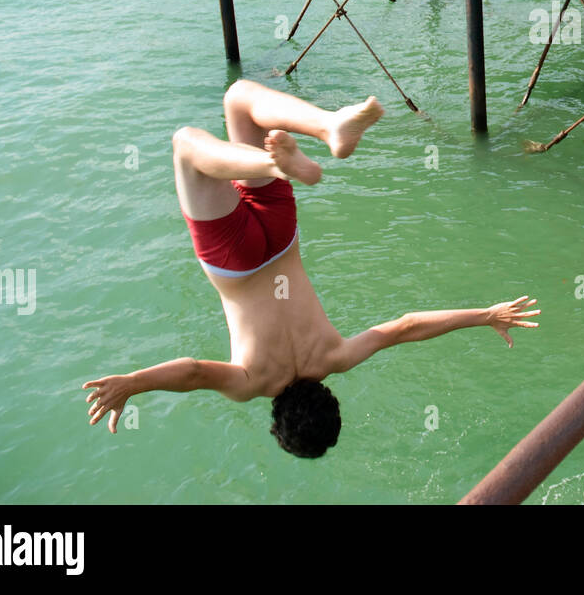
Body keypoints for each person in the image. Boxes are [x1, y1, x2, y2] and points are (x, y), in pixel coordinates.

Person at [83, 79, 540, 458]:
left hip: (281, 239)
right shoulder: (252, 381)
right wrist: (132, 384)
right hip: (234, 260)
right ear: (276, 422)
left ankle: (326, 128)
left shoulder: (334, 357)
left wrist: (486, 315)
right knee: (186, 145)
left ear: (330, 400)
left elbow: (405, 327)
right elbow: (195, 372)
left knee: (239, 99)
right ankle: (273, 161)